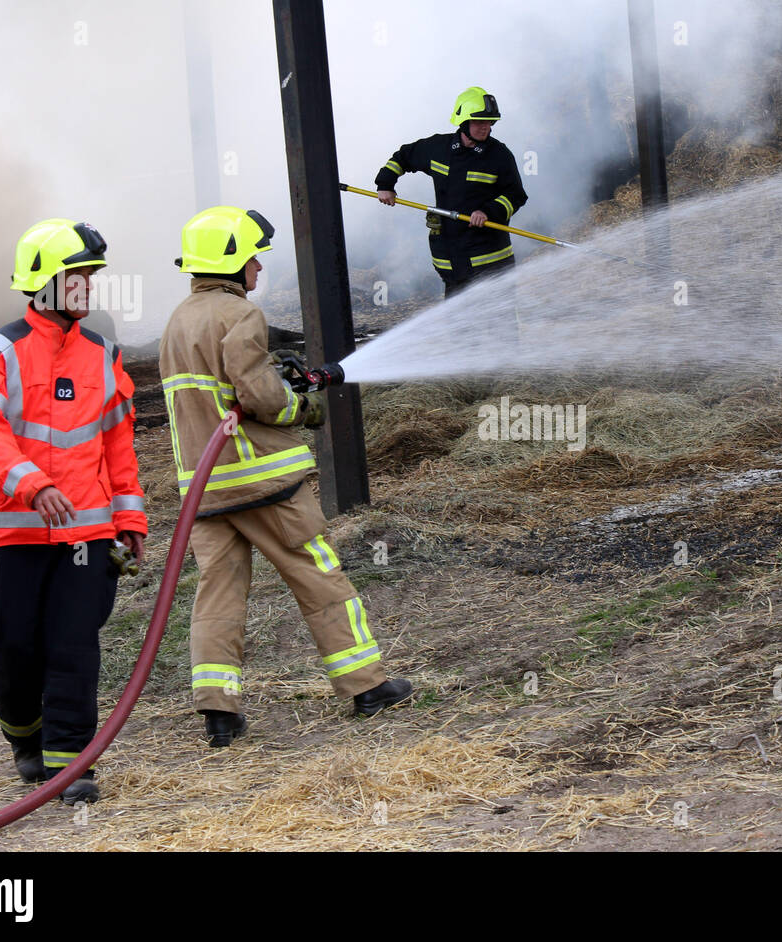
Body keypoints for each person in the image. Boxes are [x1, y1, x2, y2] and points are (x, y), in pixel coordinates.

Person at [159, 206, 411, 747]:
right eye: (252, 257)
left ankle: (218, 712)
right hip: (265, 482)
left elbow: (215, 392)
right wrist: (303, 408)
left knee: (218, 595)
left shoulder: (177, 321)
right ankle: (366, 686)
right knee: (318, 575)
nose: (257, 268)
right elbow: (259, 394)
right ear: (230, 261)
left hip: (205, 492)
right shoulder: (239, 315)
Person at [0, 218, 148, 806]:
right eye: (80, 276)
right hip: (14, 534)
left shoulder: (103, 354)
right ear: (45, 282)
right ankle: (26, 740)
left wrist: (131, 520)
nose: (90, 287)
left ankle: (71, 768)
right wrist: (32, 485)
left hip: (87, 534)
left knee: (73, 646)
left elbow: (119, 445)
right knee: (12, 645)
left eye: (92, 276)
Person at [375, 86, 528, 299]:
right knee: (459, 327)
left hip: (489, 260)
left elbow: (516, 195)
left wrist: (488, 212)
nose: (486, 127)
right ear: (463, 122)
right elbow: (404, 156)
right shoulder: (438, 148)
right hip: (451, 260)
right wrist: (385, 184)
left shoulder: (499, 155)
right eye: (479, 121)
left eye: (489, 122)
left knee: (499, 326)